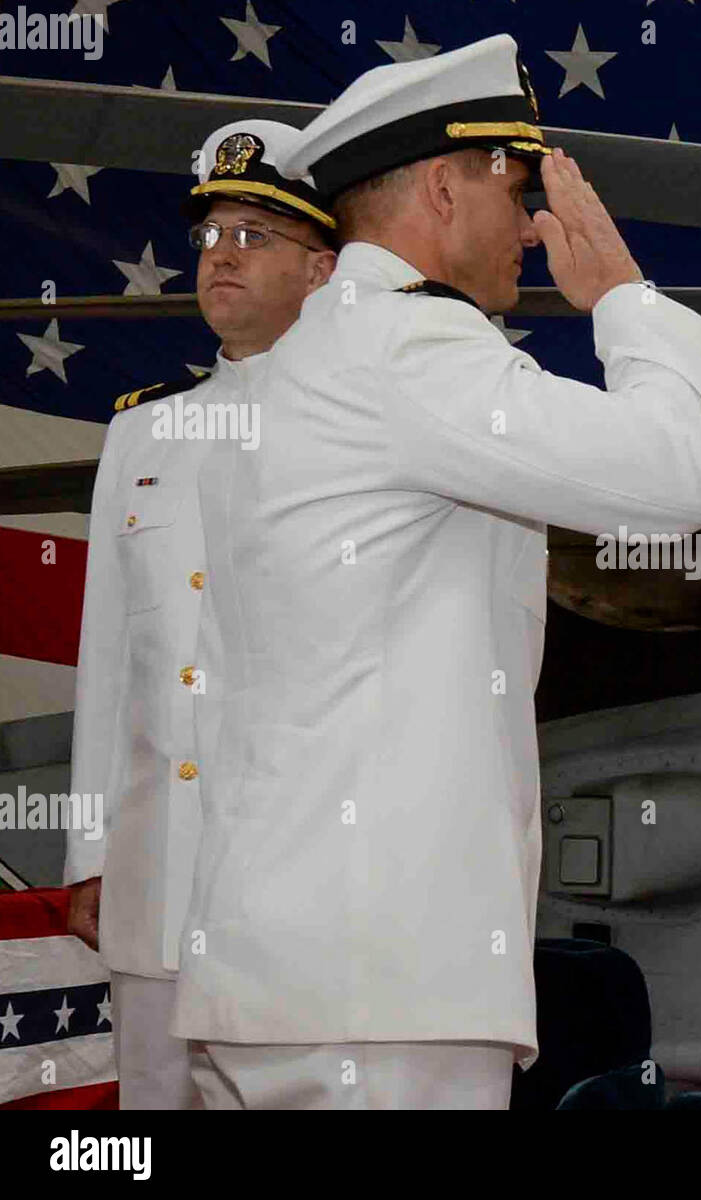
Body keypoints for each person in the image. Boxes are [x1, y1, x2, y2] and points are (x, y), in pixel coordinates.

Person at [172, 33, 701, 1109]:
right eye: (512, 185)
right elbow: (682, 477)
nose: (530, 222)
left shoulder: (293, 372)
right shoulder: (407, 354)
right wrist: (625, 300)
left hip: (279, 960)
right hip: (379, 976)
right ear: (442, 186)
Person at [63, 119, 336, 1108]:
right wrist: (90, 848)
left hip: (293, 881)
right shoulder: (144, 429)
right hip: (153, 870)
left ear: (322, 269)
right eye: (213, 234)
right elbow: (109, 657)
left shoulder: (358, 431)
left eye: (255, 236)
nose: (222, 255)